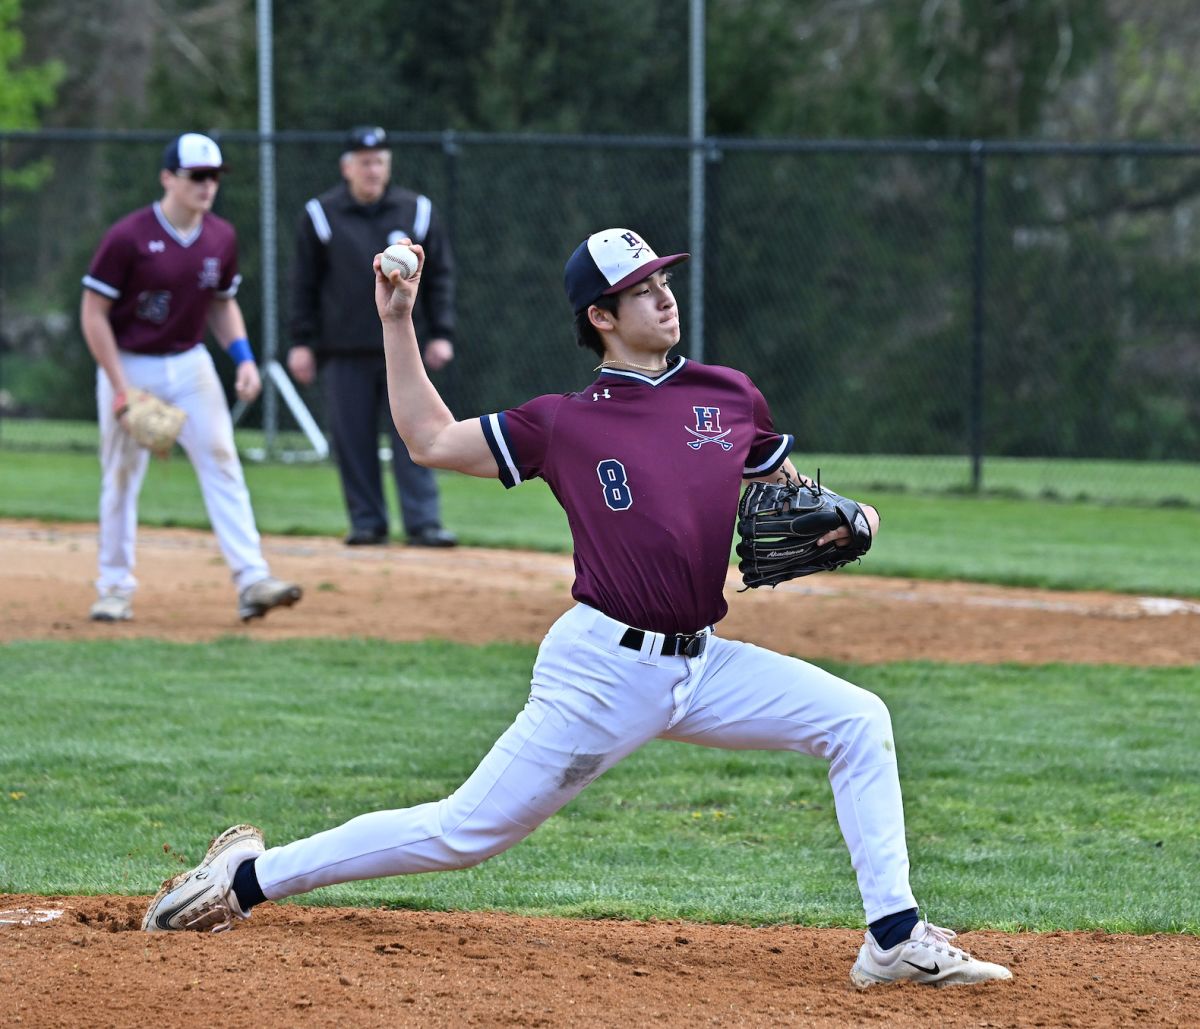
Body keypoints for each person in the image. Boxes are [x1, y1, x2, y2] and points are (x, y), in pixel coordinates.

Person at [143, 228, 1011, 989]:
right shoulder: (565, 422)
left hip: (703, 664)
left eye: (664, 279)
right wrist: (396, 320)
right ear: (600, 314)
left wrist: (852, 515)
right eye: (642, 288)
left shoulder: (728, 393)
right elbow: (427, 439)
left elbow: (790, 493)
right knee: (464, 831)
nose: (664, 294)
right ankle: (249, 877)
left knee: (858, 719)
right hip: (603, 668)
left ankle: (893, 938)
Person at [80, 132, 303, 624]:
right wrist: (119, 388)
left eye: (214, 177)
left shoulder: (220, 237)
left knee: (223, 459)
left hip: (189, 361)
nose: (208, 186)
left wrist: (244, 359)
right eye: (197, 176)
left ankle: (252, 581)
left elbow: (221, 304)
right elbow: (93, 314)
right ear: (168, 178)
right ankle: (114, 588)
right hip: (128, 361)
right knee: (120, 477)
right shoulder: (129, 237)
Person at [286, 125, 458, 548]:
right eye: (364, 162)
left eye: (380, 160)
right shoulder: (321, 214)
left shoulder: (416, 210)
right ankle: (367, 522)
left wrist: (441, 333)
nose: (373, 169)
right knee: (352, 439)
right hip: (344, 348)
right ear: (347, 168)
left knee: (416, 434)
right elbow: (302, 283)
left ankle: (424, 522)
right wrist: (301, 341)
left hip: (403, 350)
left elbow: (441, 277)